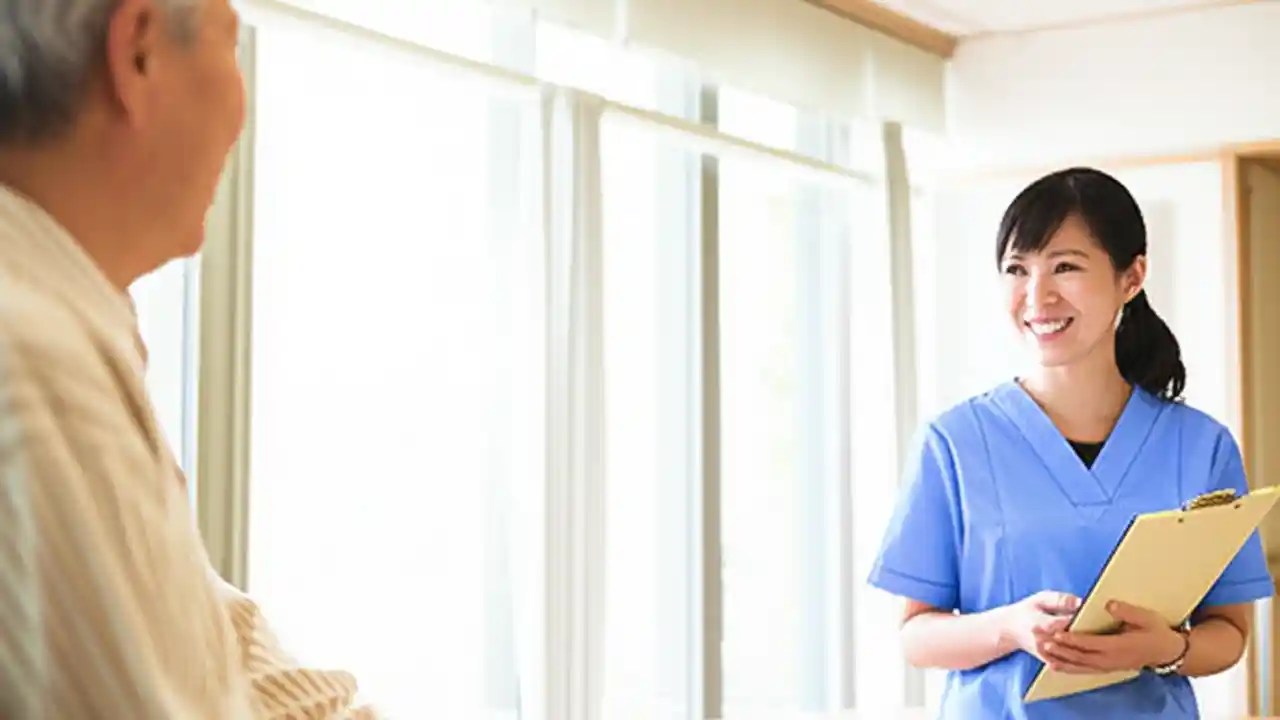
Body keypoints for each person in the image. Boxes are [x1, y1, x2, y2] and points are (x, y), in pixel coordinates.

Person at [0, 0, 377, 717]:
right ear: (137, 52)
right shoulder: (35, 369)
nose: (242, 108)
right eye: (230, 42)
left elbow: (214, 649)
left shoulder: (61, 329)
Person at [868, 166, 1274, 718]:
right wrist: (1008, 627)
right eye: (1018, 269)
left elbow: (1229, 632)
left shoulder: (1200, 446)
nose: (1038, 295)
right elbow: (916, 635)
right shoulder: (956, 442)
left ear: (1131, 278)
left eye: (1065, 266)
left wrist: (1167, 648)